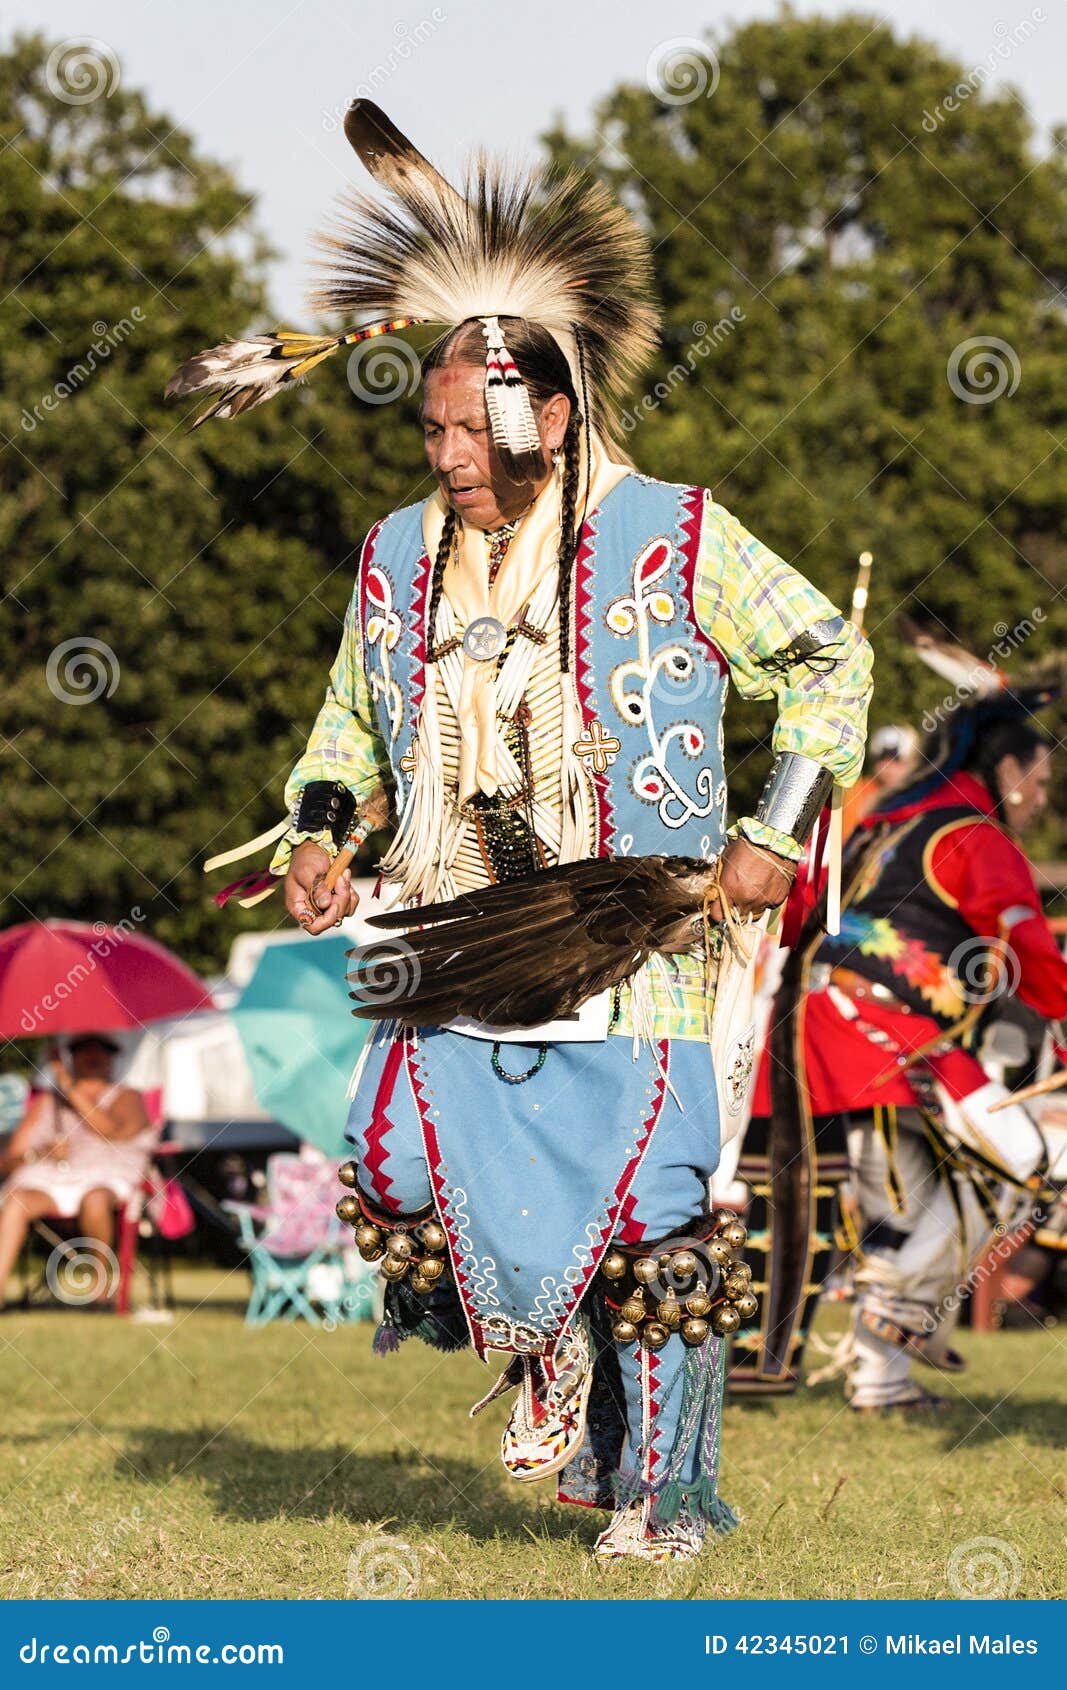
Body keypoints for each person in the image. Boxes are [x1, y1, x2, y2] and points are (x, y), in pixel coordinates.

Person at [170, 101, 872, 1562]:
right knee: (403, 1179)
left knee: (656, 1221)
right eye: (425, 428)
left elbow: (827, 659)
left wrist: (774, 828)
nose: (446, 457)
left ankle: (655, 1494)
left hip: (637, 924)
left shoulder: (672, 533)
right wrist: (321, 836)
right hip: (456, 928)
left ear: (550, 416)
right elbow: (344, 733)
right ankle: (558, 1364)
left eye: (468, 429)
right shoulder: (397, 557)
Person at [734, 670, 1066, 1411]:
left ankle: (881, 1380)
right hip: (879, 1031)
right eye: (1039, 777)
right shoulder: (974, 838)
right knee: (1019, 1156)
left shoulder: (888, 819)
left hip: (817, 1024)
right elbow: (1034, 958)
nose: (1042, 795)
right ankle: (899, 1307)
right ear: (1007, 770)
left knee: (907, 1204)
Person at [0, 1035, 153, 1310]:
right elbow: (9, 1160)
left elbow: (107, 1129)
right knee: (15, 1201)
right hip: (51, 1181)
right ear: (72, 1056)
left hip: (107, 1181)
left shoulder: (127, 1097)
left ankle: (100, 1291)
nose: (93, 1056)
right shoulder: (48, 1103)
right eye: (83, 1050)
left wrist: (65, 1082)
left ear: (112, 1058)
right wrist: (41, 1152)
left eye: (102, 1050)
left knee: (94, 1198)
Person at [840, 723, 919, 837]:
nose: (889, 768)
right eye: (882, 759)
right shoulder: (855, 791)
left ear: (912, 762)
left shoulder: (919, 796)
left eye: (897, 760)